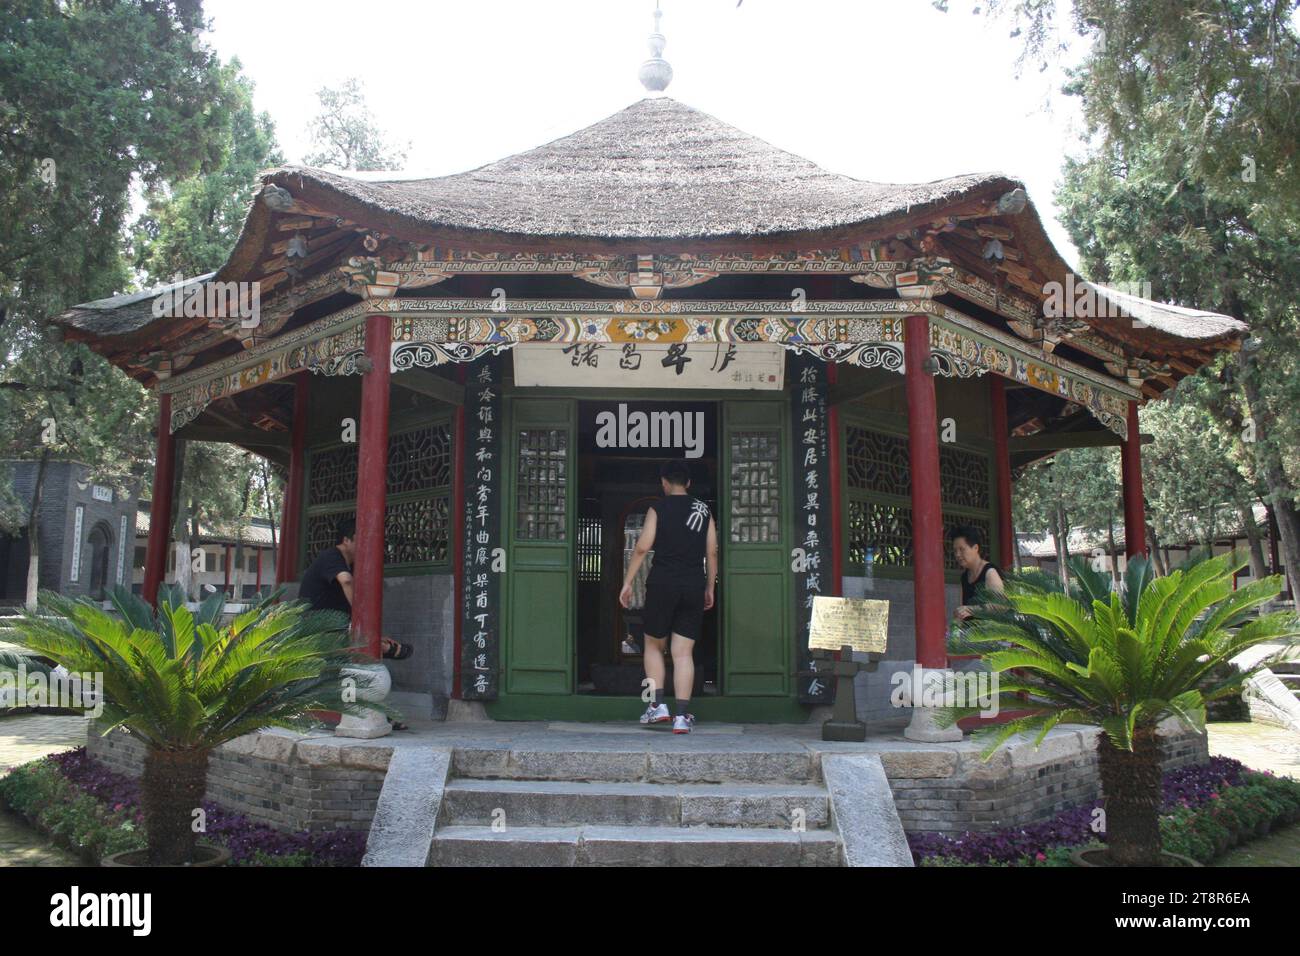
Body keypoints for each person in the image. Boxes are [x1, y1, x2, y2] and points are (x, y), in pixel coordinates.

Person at [619, 460, 718, 734]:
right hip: (693, 585)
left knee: (653, 645)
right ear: (688, 483)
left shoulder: (658, 508)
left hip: (662, 584)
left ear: (664, 482)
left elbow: (641, 548)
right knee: (683, 652)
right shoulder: (703, 510)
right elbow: (711, 553)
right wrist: (710, 586)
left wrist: (627, 583)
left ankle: (656, 706)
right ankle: (682, 717)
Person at [299, 517, 413, 661]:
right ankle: (386, 649)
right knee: (369, 649)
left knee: (375, 645)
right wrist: (364, 620)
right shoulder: (331, 556)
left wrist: (372, 635)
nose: (366, 544)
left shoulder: (352, 565)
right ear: (346, 540)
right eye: (361, 539)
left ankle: (384, 647)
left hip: (335, 629)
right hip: (316, 630)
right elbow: (346, 581)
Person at [950, 524, 1005, 621]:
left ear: (975, 548)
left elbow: (1000, 606)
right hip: (971, 633)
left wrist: (972, 609)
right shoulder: (964, 577)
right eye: (955, 551)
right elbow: (963, 608)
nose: (958, 555)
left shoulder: (990, 572)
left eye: (962, 549)